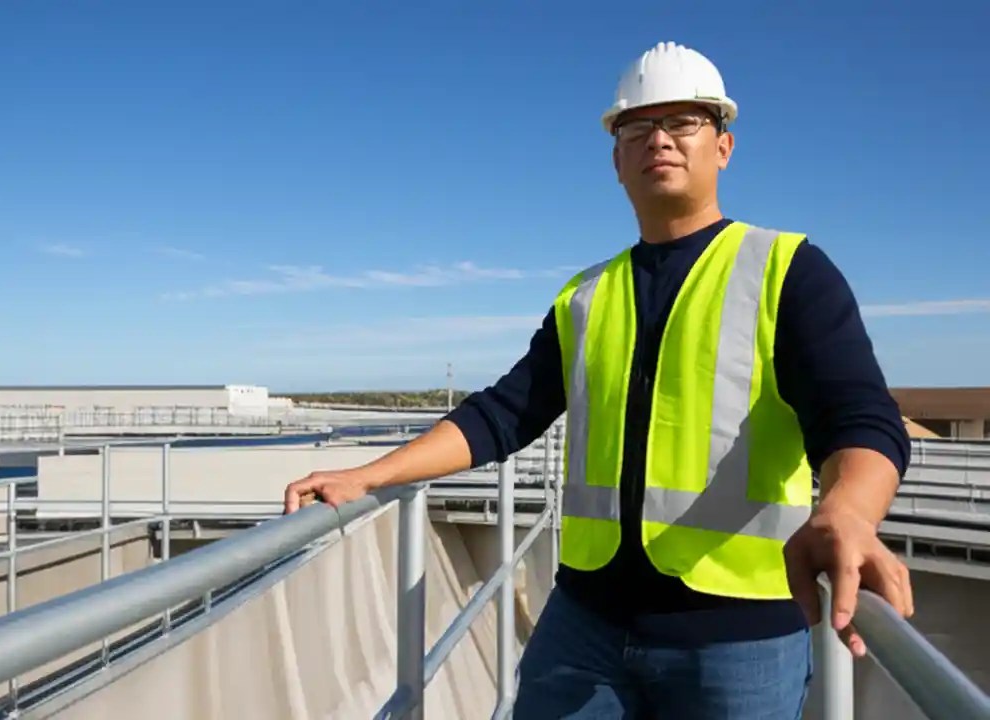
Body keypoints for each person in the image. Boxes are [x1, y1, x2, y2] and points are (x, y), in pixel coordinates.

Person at [283, 40, 915, 718]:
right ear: (616, 161)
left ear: (724, 146)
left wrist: (847, 511)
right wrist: (371, 475)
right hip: (585, 621)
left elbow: (859, 417)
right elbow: (503, 415)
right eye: (638, 128)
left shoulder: (787, 270)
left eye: (683, 122)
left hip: (737, 638)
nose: (660, 141)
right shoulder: (587, 295)